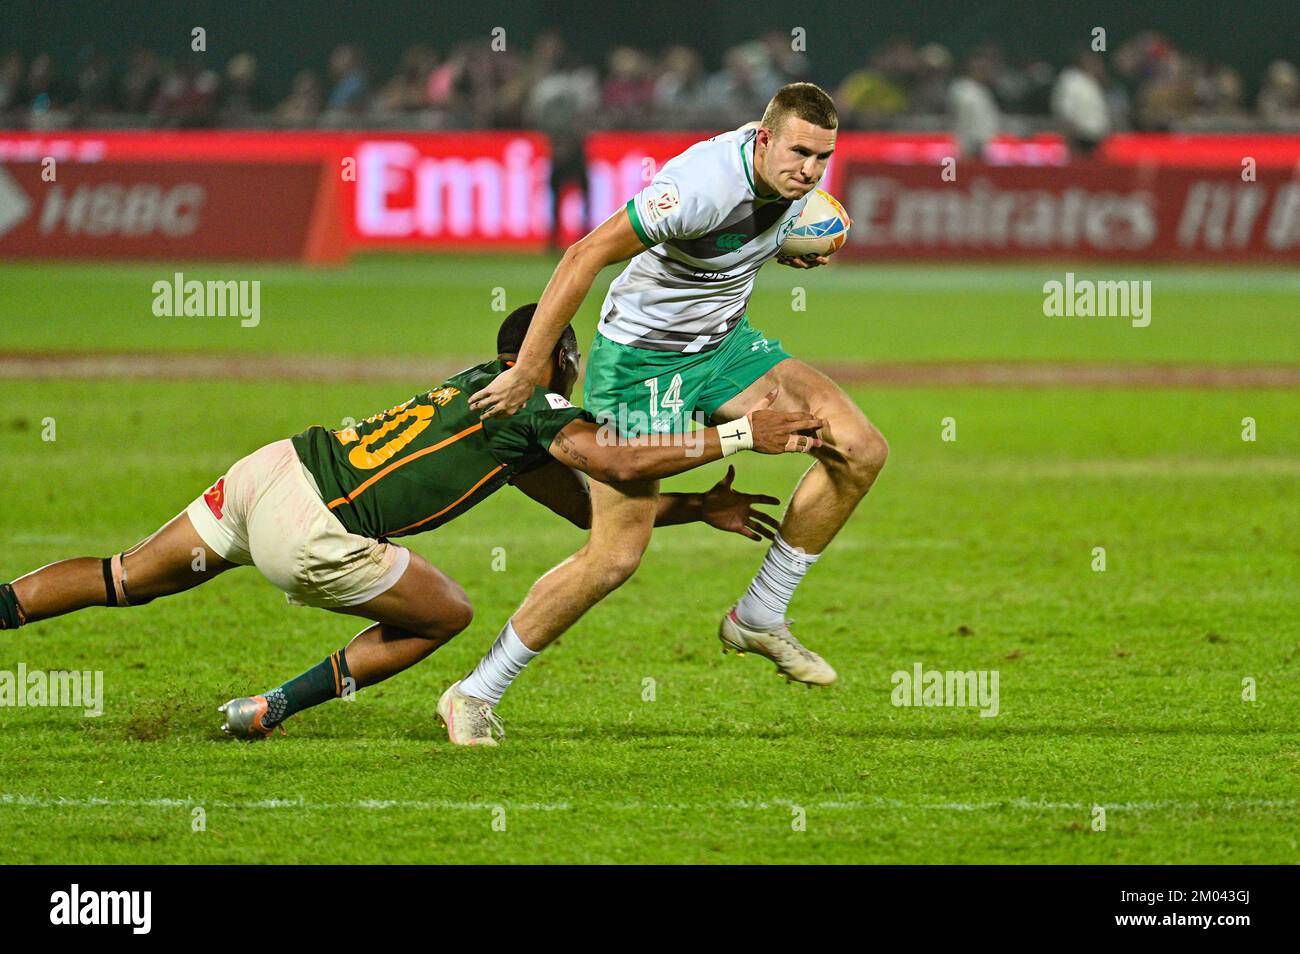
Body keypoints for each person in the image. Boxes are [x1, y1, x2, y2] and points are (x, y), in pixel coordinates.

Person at [0, 306, 822, 740]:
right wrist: (745, 433)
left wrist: (697, 507)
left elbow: (582, 505)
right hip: (317, 526)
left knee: (124, 577)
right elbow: (613, 465)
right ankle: (272, 707)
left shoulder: (490, 401)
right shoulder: (534, 405)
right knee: (448, 615)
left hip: (274, 468)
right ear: (559, 354)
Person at [448, 82, 888, 746]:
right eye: (800, 152)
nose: (810, 171)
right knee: (615, 556)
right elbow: (584, 256)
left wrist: (783, 248)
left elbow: (751, 238)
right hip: (641, 364)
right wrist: (528, 372)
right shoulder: (699, 186)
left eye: (823, 157)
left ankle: (761, 615)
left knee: (860, 448)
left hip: (725, 347)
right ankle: (474, 694)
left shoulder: (792, 190)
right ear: (764, 139)